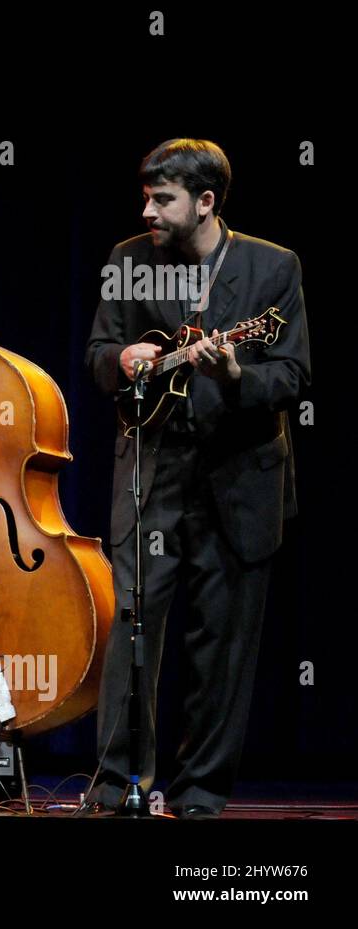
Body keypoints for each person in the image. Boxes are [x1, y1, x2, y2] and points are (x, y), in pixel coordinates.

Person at [84, 138, 310, 818]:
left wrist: (235, 373)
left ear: (206, 202)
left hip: (239, 473)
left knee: (223, 641)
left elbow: (293, 376)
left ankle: (200, 793)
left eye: (162, 199)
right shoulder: (129, 260)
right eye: (146, 196)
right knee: (132, 627)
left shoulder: (272, 268)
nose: (146, 208)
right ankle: (120, 784)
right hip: (152, 468)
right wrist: (120, 357)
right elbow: (96, 352)